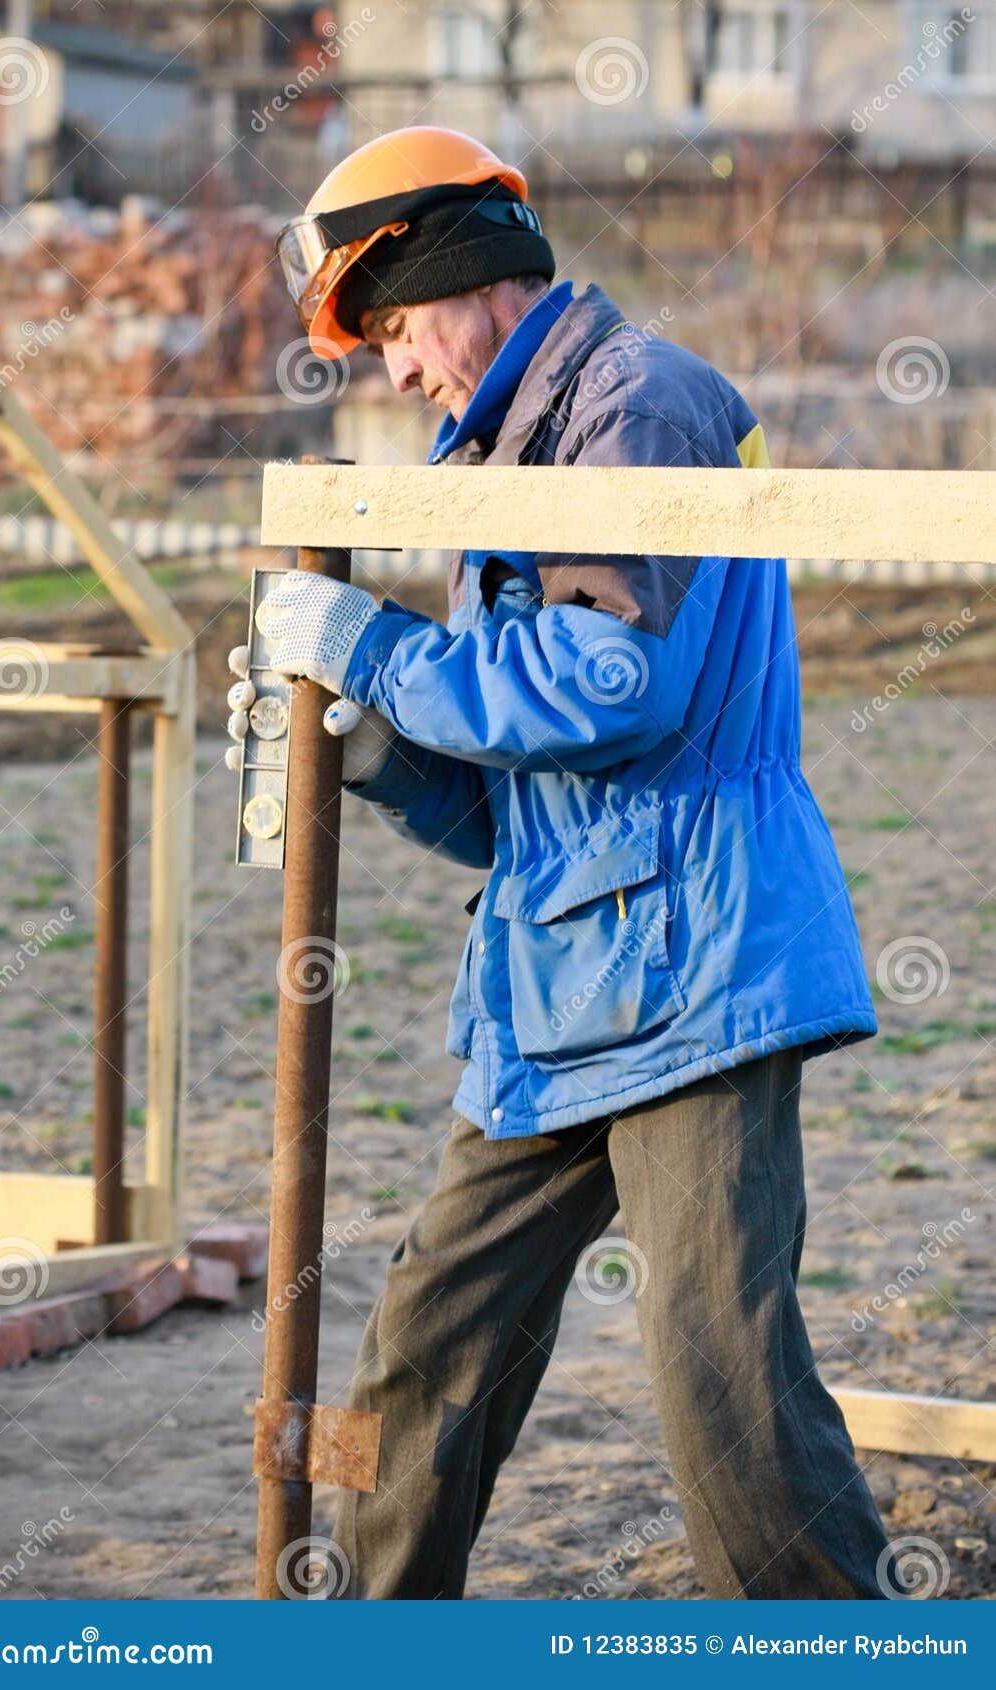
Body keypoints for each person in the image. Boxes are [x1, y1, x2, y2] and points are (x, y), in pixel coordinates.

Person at [226, 126, 893, 1600]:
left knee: (728, 1395)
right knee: (420, 1359)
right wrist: (370, 741)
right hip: (558, 987)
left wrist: (373, 647)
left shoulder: (634, 403)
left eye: (397, 328)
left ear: (465, 271)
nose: (396, 373)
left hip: (701, 973)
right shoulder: (511, 455)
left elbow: (609, 689)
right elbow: (512, 804)